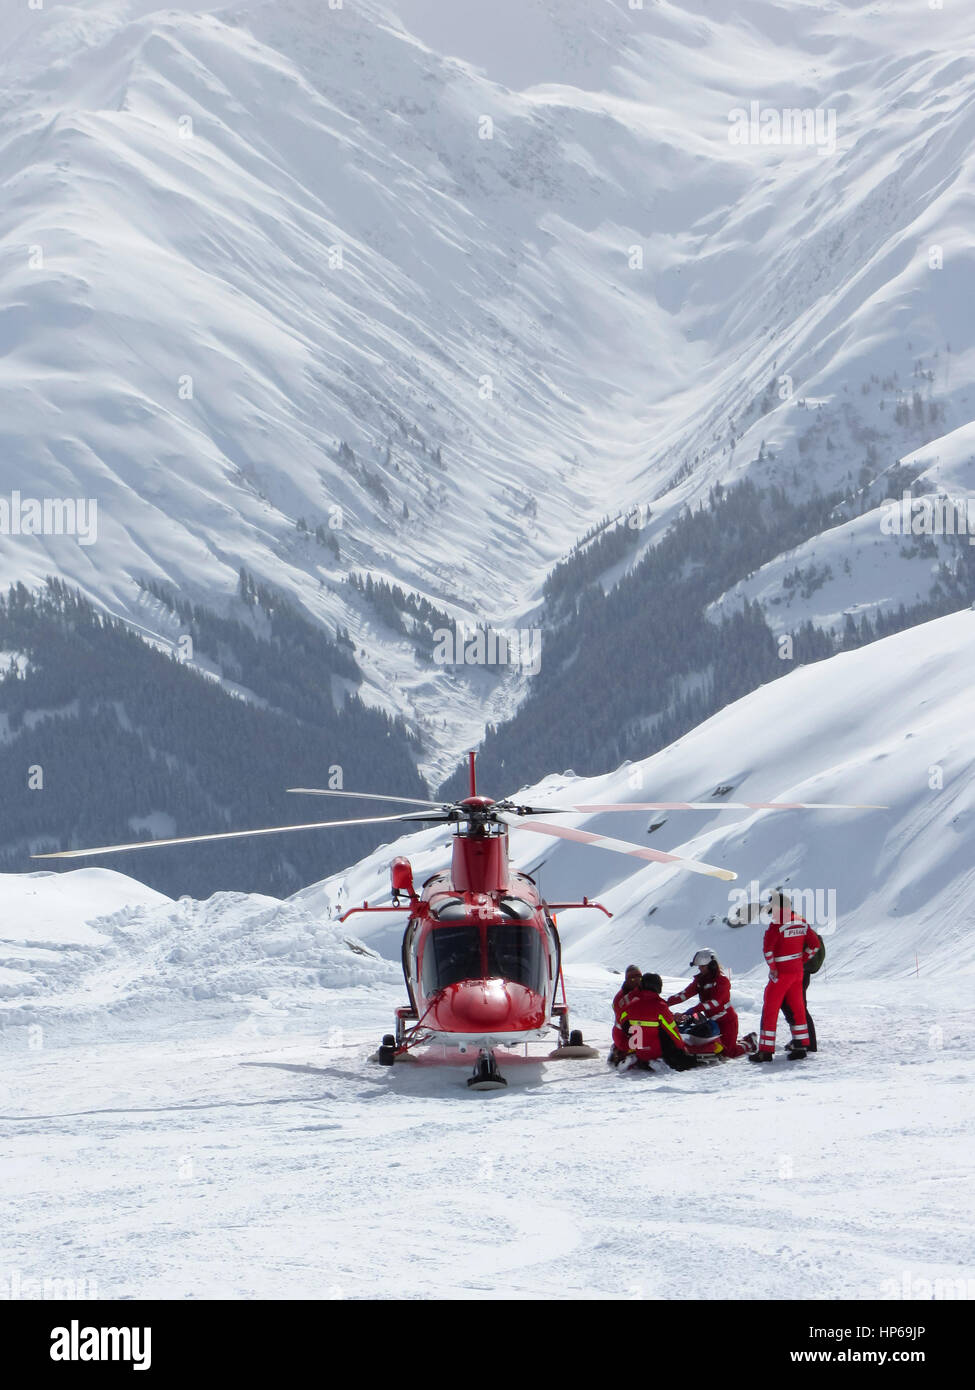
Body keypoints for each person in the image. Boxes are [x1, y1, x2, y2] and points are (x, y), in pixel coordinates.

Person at [749, 891, 822, 1062]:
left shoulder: (776, 926)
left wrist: (773, 968)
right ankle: (801, 1045)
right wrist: (801, 959)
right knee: (798, 1009)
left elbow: (768, 950)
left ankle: (765, 1051)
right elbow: (815, 945)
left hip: (781, 973)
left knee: (770, 1009)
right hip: (797, 972)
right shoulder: (801, 922)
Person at [612, 973, 721, 1072]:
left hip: (639, 1051)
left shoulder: (630, 1005)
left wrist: (625, 1043)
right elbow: (673, 1031)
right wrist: (682, 1048)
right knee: (685, 1060)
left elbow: (620, 1023)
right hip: (657, 1052)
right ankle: (711, 1056)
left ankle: (636, 1060)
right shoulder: (660, 1006)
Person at [666, 949, 757, 1058]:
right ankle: (732, 1041)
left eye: (702, 966)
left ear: (712, 965)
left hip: (727, 1021)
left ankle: (749, 1043)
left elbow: (715, 1003)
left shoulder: (722, 981)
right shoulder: (700, 981)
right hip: (712, 1020)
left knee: (728, 1053)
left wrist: (692, 1011)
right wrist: (666, 1003)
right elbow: (684, 994)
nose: (699, 968)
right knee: (714, 1048)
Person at [781, 928, 825, 1053]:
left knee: (795, 1007)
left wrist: (800, 962)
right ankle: (802, 1040)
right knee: (794, 1006)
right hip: (800, 971)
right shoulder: (796, 925)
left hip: (798, 972)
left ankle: (807, 1042)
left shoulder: (793, 926)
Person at [608, 965, 644, 1065]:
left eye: (639, 977)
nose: (637, 981)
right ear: (627, 980)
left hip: (638, 1031)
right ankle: (618, 1052)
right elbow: (623, 1021)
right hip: (624, 1034)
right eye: (633, 978)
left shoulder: (644, 992)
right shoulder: (620, 998)